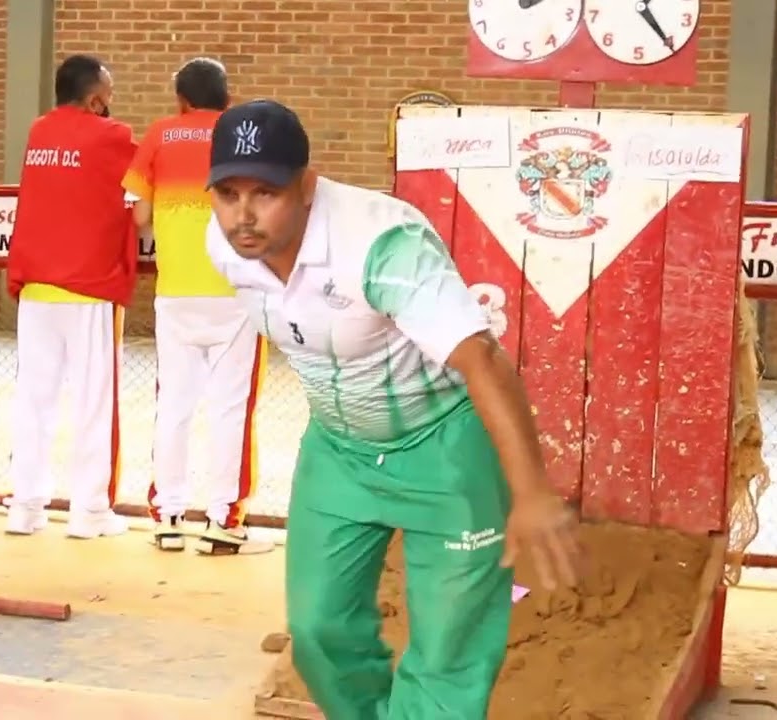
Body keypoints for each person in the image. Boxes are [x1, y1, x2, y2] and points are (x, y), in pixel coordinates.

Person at [203, 100, 583, 719]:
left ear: (306, 185)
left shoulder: (381, 243)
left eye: (265, 193)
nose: (243, 216)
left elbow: (482, 359)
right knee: (320, 630)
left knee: (447, 655)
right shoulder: (226, 247)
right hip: (339, 451)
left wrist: (532, 493)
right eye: (227, 193)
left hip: (444, 451)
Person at [121, 58, 266, 554]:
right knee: (231, 409)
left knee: (175, 407)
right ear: (226, 97)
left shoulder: (160, 134)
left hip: (176, 293)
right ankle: (224, 520)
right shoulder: (242, 134)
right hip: (237, 296)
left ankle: (169, 516)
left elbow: (139, 216)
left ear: (181, 99)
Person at [5, 54, 138, 539]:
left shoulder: (38, 133)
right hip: (87, 287)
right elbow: (145, 175)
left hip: (37, 287)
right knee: (92, 402)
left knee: (33, 400)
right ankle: (89, 511)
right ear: (96, 98)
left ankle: (25, 506)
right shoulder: (113, 136)